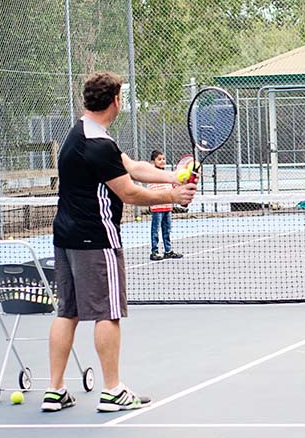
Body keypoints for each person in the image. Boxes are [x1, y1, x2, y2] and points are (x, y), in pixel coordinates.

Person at [43, 72, 197, 413]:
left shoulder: (79, 135)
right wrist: (173, 195)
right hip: (96, 239)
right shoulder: (99, 146)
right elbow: (127, 191)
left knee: (66, 311)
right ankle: (112, 391)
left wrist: (173, 176)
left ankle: (54, 390)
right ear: (115, 101)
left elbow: (131, 167)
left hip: (64, 237)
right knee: (107, 313)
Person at [147, 150, 182, 261]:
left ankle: (168, 250)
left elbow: (171, 187)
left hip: (168, 207)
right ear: (153, 162)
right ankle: (154, 251)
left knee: (167, 230)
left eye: (163, 159)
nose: (162, 161)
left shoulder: (167, 174)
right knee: (155, 230)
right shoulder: (152, 173)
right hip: (157, 207)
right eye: (159, 159)